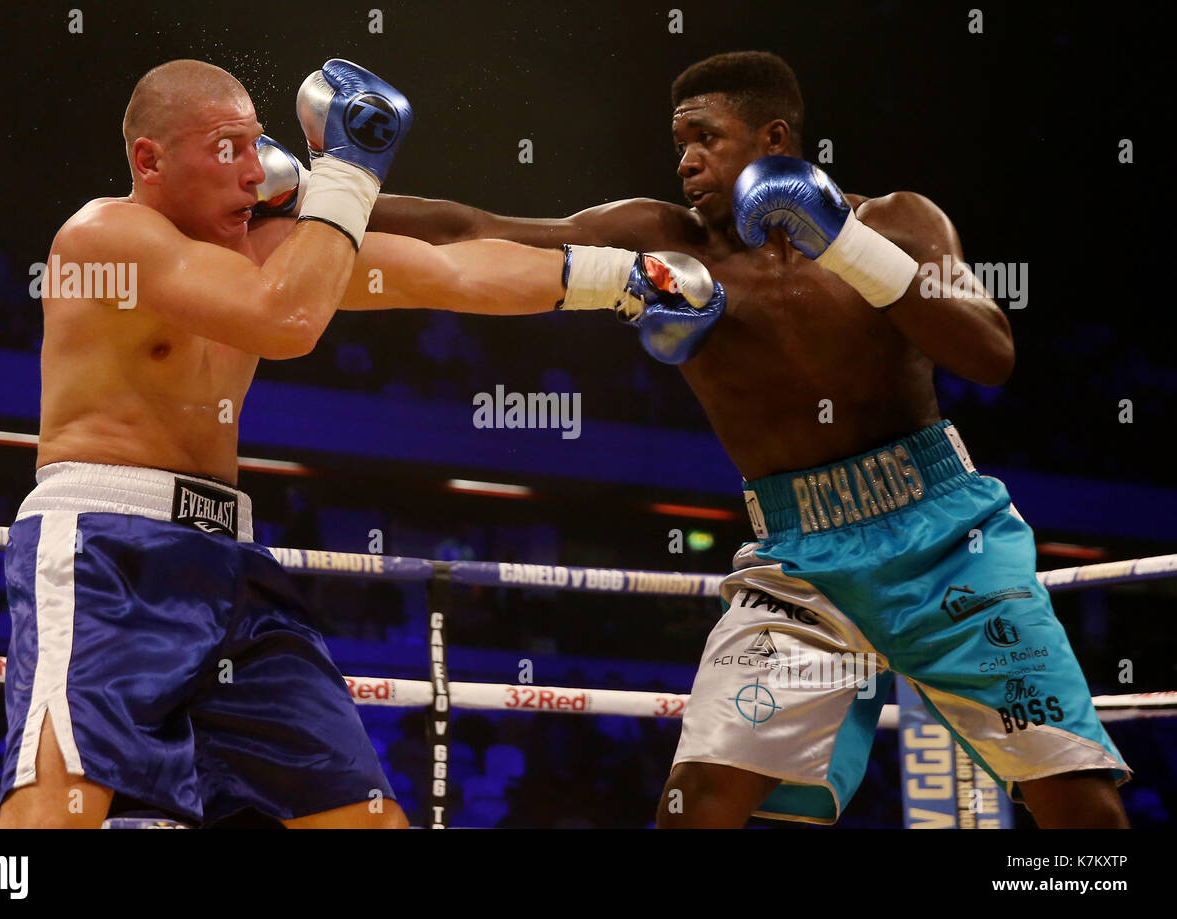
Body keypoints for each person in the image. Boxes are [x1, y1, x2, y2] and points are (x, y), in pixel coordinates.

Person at [368, 50, 1131, 828]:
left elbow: (991, 354)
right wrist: (326, 194)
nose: (687, 160)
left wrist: (844, 245)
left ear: (774, 139)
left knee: (1074, 794)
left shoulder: (897, 221)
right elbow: (480, 229)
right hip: (797, 559)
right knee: (698, 802)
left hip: (948, 539)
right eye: (679, 144)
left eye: (706, 137)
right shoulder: (666, 240)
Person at [0, 57, 723, 829]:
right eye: (226, 149)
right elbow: (285, 323)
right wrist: (345, 170)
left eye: (255, 145)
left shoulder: (273, 255)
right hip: (109, 548)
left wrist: (625, 278)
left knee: (363, 818)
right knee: (60, 809)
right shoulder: (104, 236)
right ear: (149, 160)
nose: (252, 170)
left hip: (230, 565)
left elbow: (451, 270)